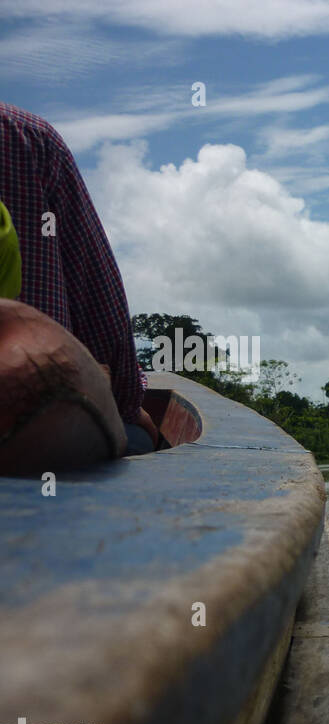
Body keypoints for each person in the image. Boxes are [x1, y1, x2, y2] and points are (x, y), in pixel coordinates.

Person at [0, 101, 157, 472]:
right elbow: (100, 304)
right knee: (134, 435)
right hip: (38, 439)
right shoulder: (27, 136)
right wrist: (128, 405)